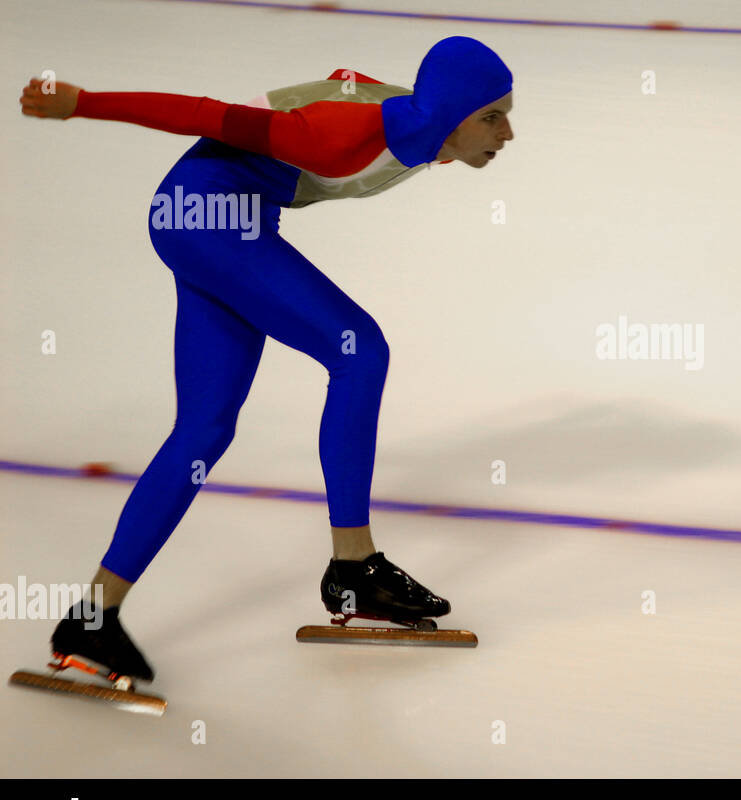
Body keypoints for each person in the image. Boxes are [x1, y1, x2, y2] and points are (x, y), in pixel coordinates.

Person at [18, 36, 514, 684]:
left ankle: (91, 618)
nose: (507, 132)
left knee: (204, 429)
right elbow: (203, 114)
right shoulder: (340, 137)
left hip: (218, 214)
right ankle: (354, 568)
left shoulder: (423, 127)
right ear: (452, 116)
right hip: (207, 215)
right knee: (358, 351)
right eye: (493, 116)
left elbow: (349, 78)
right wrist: (81, 104)